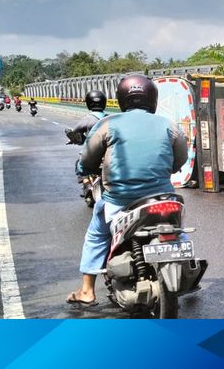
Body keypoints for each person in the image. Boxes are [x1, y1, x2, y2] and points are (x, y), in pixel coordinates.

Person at [66, 75, 187, 306]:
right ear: (152, 98)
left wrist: (85, 169)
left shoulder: (108, 123)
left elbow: (88, 159)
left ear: (122, 99)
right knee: (179, 232)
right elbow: (179, 159)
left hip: (119, 201)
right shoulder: (168, 124)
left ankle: (87, 291)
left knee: (97, 234)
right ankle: (188, 269)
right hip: (163, 198)